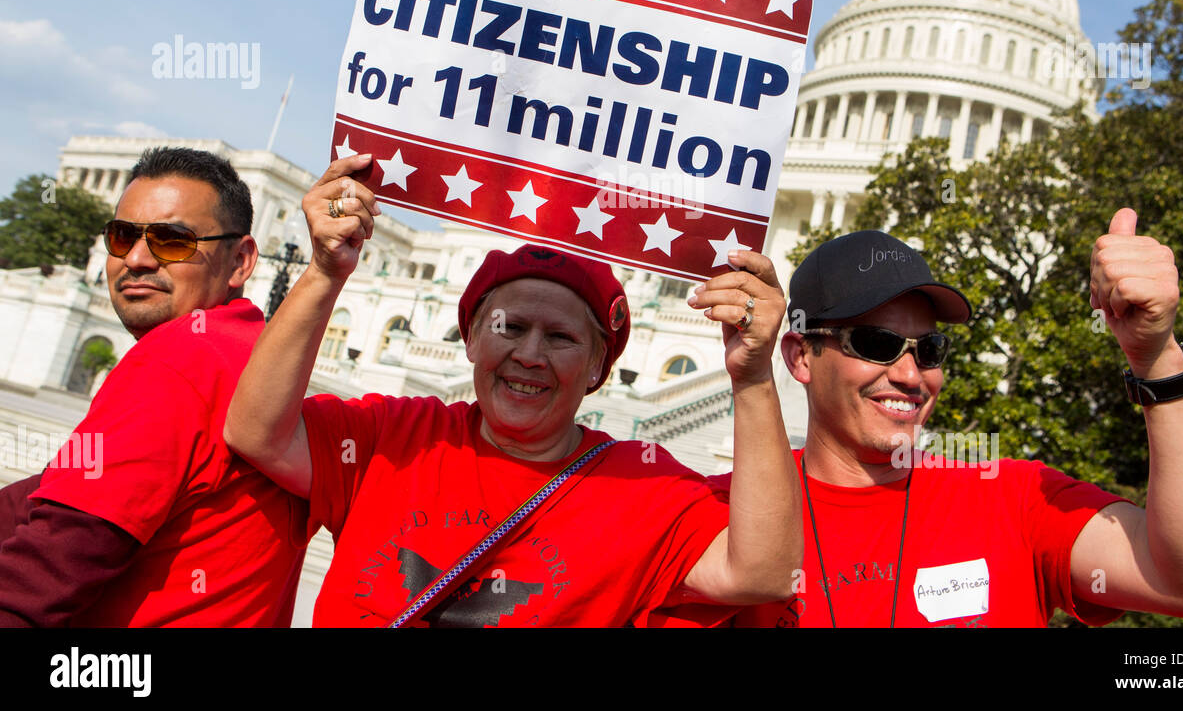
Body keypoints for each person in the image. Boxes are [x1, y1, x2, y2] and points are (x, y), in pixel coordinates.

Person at [224, 153, 802, 627]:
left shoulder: (645, 486)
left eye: (560, 337)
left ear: (600, 366)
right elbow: (256, 432)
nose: (528, 354)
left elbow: (761, 574)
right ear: (471, 339)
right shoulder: (393, 437)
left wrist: (751, 380)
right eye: (509, 327)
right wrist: (324, 273)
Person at [726, 211, 1183, 627]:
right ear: (799, 357)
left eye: (930, 349)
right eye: (877, 343)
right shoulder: (728, 517)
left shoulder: (1014, 498)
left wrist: (1156, 356)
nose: (913, 375)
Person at [0, 147, 309, 627]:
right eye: (122, 236)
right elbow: (64, 493)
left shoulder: (181, 358)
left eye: (172, 240)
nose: (136, 259)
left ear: (241, 260)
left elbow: (55, 561)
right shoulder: (249, 354)